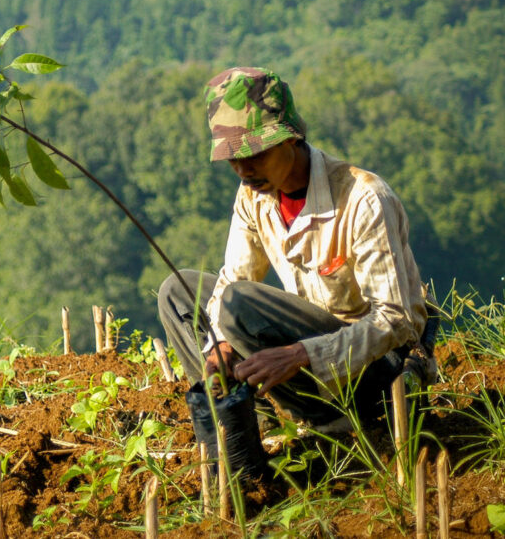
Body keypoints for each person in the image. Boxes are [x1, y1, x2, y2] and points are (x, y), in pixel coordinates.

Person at [158, 66, 436, 430]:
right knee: (179, 292)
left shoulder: (363, 199)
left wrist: (303, 355)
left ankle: (336, 420)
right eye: (233, 159)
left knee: (237, 304)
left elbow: (397, 321)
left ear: (290, 138)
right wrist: (219, 344)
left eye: (254, 155)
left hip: (371, 372)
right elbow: (233, 276)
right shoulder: (253, 198)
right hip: (302, 350)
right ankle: (245, 421)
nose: (243, 170)